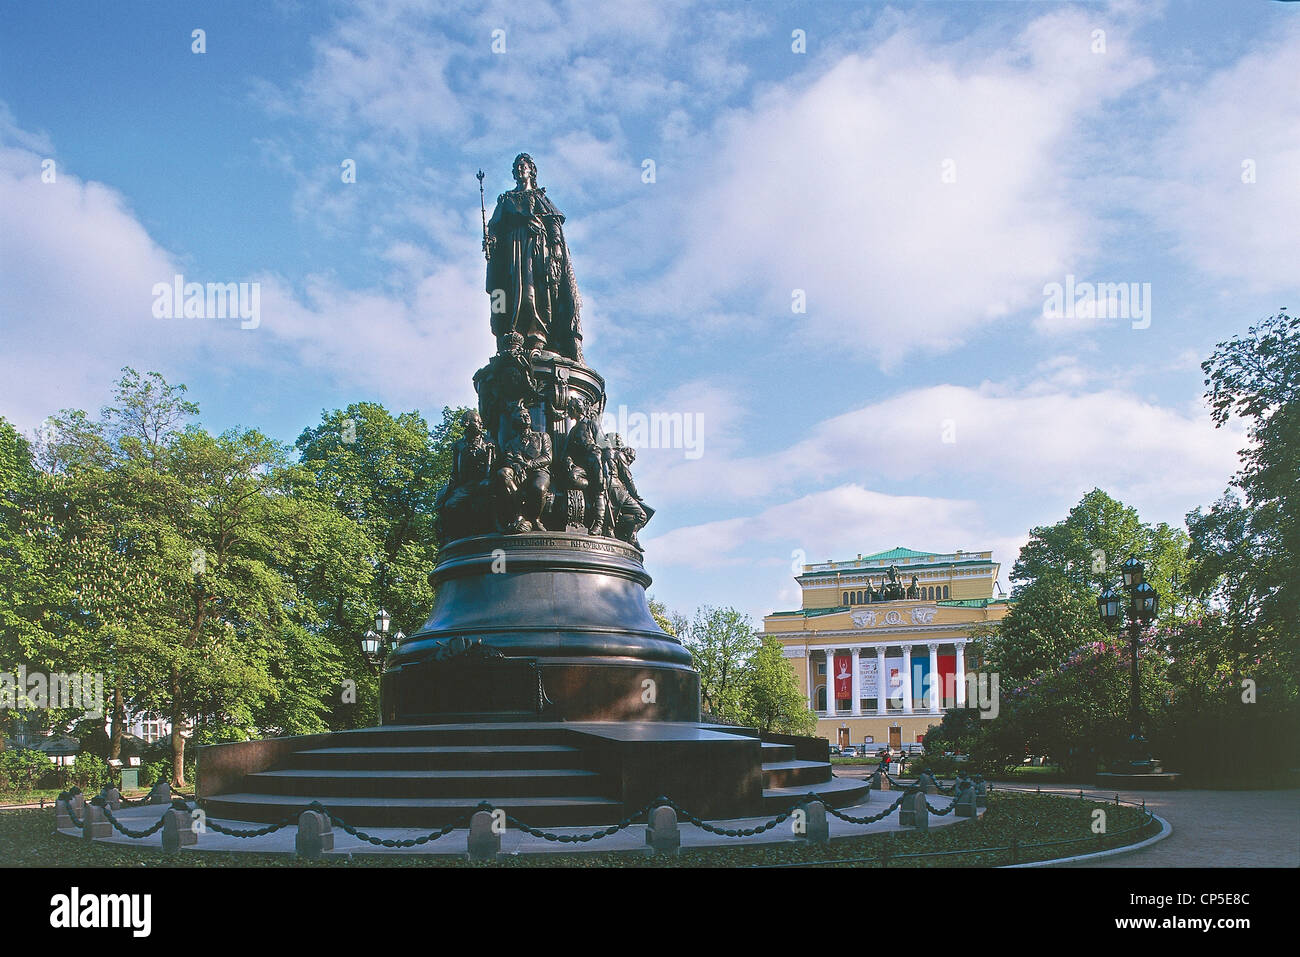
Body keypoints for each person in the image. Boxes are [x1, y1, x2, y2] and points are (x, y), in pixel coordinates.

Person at [484, 153, 582, 361]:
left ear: (531, 170)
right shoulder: (506, 200)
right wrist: (491, 241)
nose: (520, 169)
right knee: (508, 292)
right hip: (511, 252)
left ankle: (539, 334)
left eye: (524, 166)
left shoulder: (539, 198)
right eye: (517, 167)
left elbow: (554, 223)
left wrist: (555, 246)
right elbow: (494, 228)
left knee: (535, 292)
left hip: (535, 250)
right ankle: (512, 333)